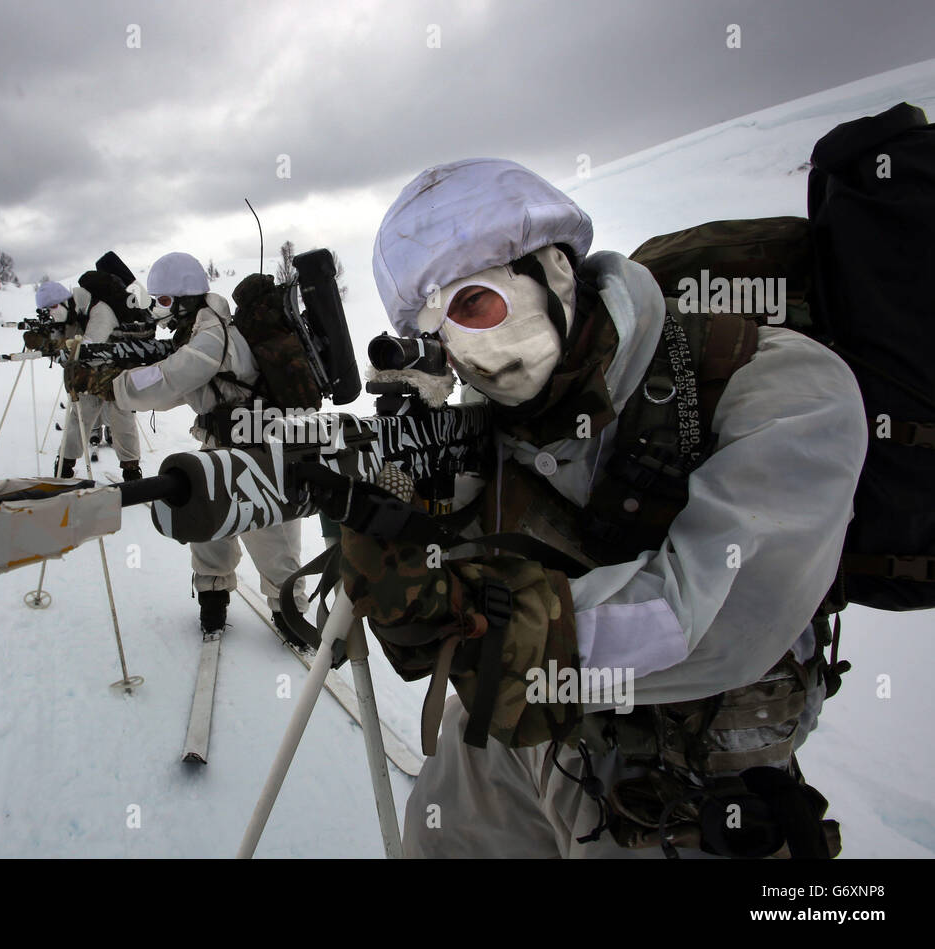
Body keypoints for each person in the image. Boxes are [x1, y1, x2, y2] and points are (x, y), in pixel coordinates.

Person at [346, 158, 867, 858]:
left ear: (555, 269)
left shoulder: (779, 382)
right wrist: (391, 511)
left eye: (474, 303)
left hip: (684, 771)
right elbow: (450, 556)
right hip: (518, 732)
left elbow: (719, 617)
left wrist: (494, 631)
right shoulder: (487, 419)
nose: (465, 351)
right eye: (438, 334)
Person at [65, 251, 310, 641]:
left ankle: (290, 614)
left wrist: (109, 385)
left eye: (165, 300)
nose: (160, 310)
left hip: (257, 450)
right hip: (222, 445)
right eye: (157, 300)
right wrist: (119, 378)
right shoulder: (199, 333)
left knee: (269, 532)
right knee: (210, 522)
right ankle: (213, 601)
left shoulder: (212, 335)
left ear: (185, 296)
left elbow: (168, 380)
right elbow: (174, 384)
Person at [31, 280, 143, 482]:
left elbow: (89, 347)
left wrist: (61, 348)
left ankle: (131, 471)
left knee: (122, 421)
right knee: (78, 420)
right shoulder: (74, 314)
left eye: (54, 307)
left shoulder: (100, 310)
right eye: (48, 310)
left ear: (66, 302)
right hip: (89, 377)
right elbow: (67, 349)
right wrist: (47, 338)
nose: (52, 312)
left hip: (114, 373)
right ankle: (64, 467)